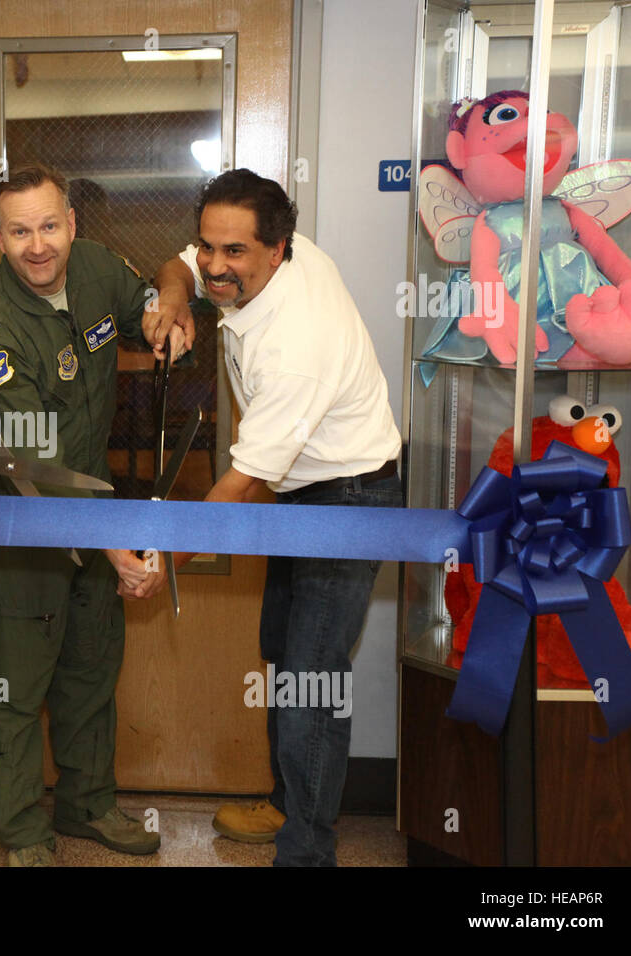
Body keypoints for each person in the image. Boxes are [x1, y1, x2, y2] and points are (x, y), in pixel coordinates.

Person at [151, 168, 402, 866]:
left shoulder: (298, 350)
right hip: (302, 489)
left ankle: (306, 852)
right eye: (210, 245)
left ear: (277, 250)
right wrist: (177, 302)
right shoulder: (272, 251)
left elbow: (240, 485)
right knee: (282, 655)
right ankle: (287, 804)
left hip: (348, 498)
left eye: (234, 253)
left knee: (311, 681)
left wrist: (155, 557)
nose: (215, 265)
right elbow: (178, 267)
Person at [0, 161, 183, 867]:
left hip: (95, 508)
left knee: (88, 671)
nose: (38, 245)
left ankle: (86, 806)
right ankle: (22, 832)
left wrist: (166, 312)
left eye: (50, 225)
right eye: (19, 231)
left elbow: (160, 286)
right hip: (19, 527)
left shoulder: (98, 269)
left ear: (72, 224)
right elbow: (25, 460)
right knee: (11, 689)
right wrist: (115, 544)